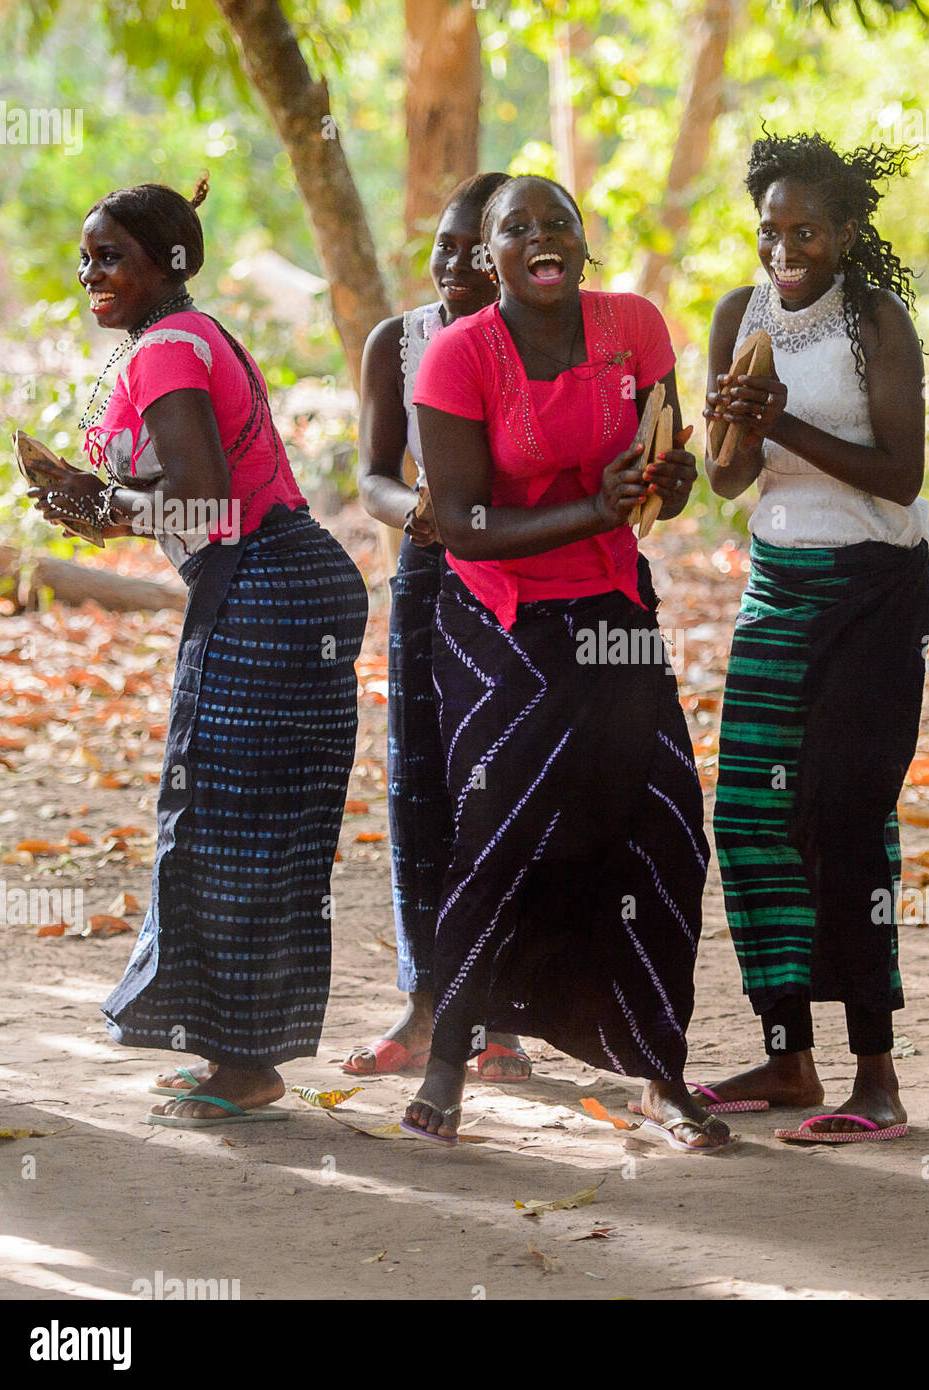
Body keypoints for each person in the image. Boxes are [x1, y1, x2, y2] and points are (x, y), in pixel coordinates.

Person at [402, 173, 732, 1151]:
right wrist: (594, 505)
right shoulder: (460, 357)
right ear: (488, 254)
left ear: (581, 242)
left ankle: (656, 1075)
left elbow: (664, 493)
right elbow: (457, 523)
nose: (541, 236)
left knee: (664, 831)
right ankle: (446, 1060)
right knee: (499, 840)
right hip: (502, 629)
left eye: (558, 221)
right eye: (517, 227)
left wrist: (664, 484)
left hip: (616, 618)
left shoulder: (633, 326)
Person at [27, 180, 367, 1127]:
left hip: (269, 590)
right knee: (252, 825)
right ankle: (243, 1058)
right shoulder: (177, 339)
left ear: (166, 264)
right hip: (278, 585)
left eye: (112, 256)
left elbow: (206, 505)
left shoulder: (172, 348)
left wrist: (103, 505)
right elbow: (188, 503)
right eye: (87, 255)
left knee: (228, 824)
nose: (92, 272)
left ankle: (245, 1067)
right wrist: (100, 505)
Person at [699, 131, 929, 1144]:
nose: (784, 247)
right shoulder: (735, 314)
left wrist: (780, 420)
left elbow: (900, 474)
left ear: (843, 233)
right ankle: (787, 1052)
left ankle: (874, 1074)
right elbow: (721, 477)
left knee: (844, 819)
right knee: (748, 813)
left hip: (873, 590)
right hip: (775, 584)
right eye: (771, 229)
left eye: (805, 230)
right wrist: (742, 428)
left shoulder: (877, 322)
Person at [349, 172, 531, 1084]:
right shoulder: (402, 341)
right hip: (428, 576)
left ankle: (501, 1020)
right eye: (445, 245)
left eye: (476, 247)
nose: (455, 263)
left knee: (500, 792)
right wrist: (412, 508)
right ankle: (424, 1005)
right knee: (420, 785)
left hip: (524, 577)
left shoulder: (539, 343)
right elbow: (373, 473)